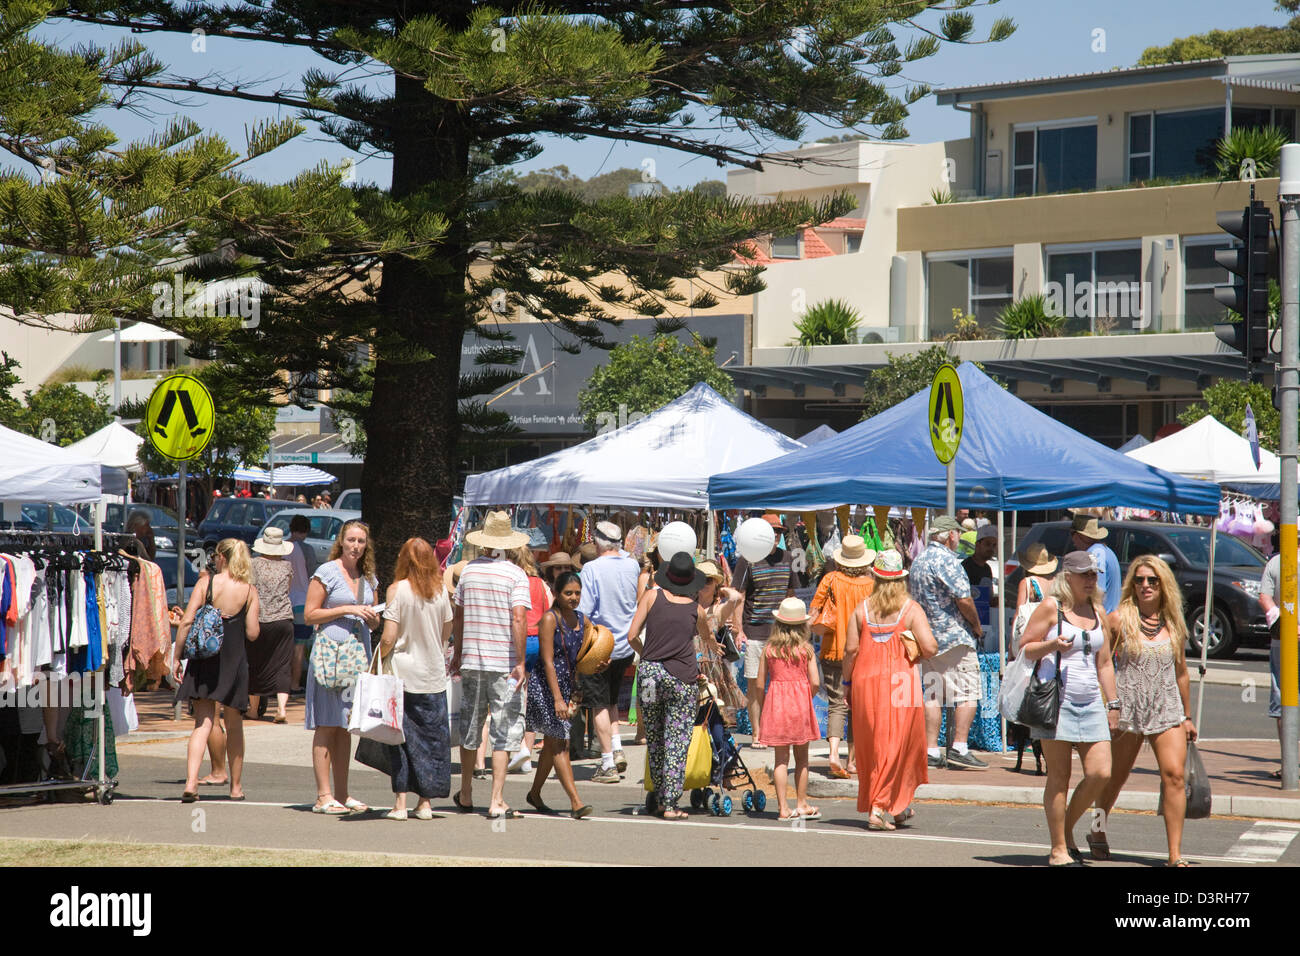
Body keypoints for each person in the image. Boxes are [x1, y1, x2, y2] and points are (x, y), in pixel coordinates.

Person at [1017, 551, 1119, 866]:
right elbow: (1023, 647)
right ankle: (1058, 848)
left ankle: (1066, 827)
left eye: (1094, 575)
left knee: (1101, 773)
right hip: (1055, 703)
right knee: (1059, 777)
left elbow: (1105, 663)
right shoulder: (1052, 607)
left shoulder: (1099, 611)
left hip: (1091, 704)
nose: (1091, 580)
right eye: (1085, 574)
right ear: (1068, 577)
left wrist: (1113, 704)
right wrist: (1051, 645)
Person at [1093, 556, 1197, 865]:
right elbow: (1103, 663)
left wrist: (1188, 716)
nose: (1145, 586)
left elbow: (1181, 672)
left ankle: (1175, 855)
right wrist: (1107, 703)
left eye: (1152, 580)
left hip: (1167, 707)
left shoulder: (1174, 621)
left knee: (1175, 776)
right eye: (1139, 580)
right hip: (1128, 706)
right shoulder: (1119, 619)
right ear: (1132, 584)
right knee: (1113, 777)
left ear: (1163, 584)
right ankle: (1098, 829)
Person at [844, 550, 936, 830]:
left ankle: (897, 805)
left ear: (875, 576)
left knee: (874, 745)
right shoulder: (911, 609)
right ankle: (879, 807)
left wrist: (847, 684)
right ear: (901, 579)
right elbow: (931, 647)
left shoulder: (862, 609)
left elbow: (850, 650)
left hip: (865, 680)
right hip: (902, 682)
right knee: (899, 744)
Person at [452, 512, 530, 819]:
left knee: (471, 726)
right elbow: (519, 618)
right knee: (505, 728)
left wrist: (457, 652)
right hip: (505, 663)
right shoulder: (515, 575)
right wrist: (521, 661)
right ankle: (497, 798)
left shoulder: (469, 572)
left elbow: (457, 615)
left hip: (472, 658)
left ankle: (467, 792)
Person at [627, 551, 713, 820]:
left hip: (650, 674)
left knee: (654, 736)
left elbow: (631, 636)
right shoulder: (696, 610)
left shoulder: (652, 596)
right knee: (676, 739)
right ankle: (670, 803)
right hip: (681, 677)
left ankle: (659, 796)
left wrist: (649, 655)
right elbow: (708, 638)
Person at [173, 538, 261, 802]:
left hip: (205, 658)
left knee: (203, 723)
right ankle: (235, 788)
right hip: (234, 658)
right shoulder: (249, 590)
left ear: (221, 557)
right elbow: (253, 633)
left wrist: (177, 656)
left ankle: (191, 783)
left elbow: (187, 621)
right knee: (235, 725)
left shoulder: (206, 583)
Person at [303, 519, 380, 814]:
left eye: (361, 541)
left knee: (345, 726)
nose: (356, 546)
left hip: (356, 655)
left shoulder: (367, 576)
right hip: (329, 656)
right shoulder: (327, 572)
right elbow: (310, 614)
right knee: (326, 723)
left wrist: (372, 620)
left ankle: (343, 793)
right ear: (341, 541)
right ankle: (323, 796)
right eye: (351, 540)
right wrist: (347, 609)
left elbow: (373, 617)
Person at [378, 537, 455, 821]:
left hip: (402, 674)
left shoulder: (397, 590)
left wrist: (379, 655)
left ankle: (400, 803)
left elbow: (389, 636)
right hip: (432, 674)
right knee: (432, 740)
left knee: (399, 739)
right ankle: (425, 802)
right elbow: (446, 632)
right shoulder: (441, 592)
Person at [908, 516, 987, 770]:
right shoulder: (947, 561)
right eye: (957, 534)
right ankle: (959, 747)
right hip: (954, 637)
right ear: (951, 535)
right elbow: (964, 599)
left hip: (928, 638)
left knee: (933, 694)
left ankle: (931, 749)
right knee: (967, 693)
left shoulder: (919, 561)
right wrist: (976, 626)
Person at [524, 571, 593, 819]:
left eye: (577, 593)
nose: (573, 598)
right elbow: (548, 661)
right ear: (556, 594)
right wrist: (557, 698)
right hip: (547, 687)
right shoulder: (549, 619)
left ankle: (534, 793)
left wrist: (600, 662)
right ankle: (575, 802)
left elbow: (586, 654)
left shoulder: (582, 620)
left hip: (568, 687)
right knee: (560, 744)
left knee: (552, 743)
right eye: (568, 593)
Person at [577, 520, 640, 782]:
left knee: (599, 704)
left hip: (600, 646)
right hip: (625, 644)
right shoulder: (632, 565)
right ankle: (616, 749)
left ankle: (607, 762)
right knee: (612, 700)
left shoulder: (591, 568)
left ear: (597, 543)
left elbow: (585, 611)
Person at [808, 535, 875, 778]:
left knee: (837, 703)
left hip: (833, 649)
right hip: (863, 652)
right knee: (857, 706)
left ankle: (834, 753)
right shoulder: (871, 584)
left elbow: (814, 612)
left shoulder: (830, 579)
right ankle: (852, 761)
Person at [732, 513, 798, 748]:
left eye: (779, 532)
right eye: (773, 531)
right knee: (755, 686)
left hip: (781, 635)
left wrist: (794, 630)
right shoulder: (747, 560)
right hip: (754, 632)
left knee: (781, 685)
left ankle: (776, 730)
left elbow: (791, 596)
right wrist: (738, 630)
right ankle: (757, 734)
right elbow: (738, 597)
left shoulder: (788, 558)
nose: (776, 536)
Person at [756, 598, 822, 820]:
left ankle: (783, 808)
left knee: (780, 760)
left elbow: (759, 683)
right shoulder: (806, 650)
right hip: (800, 704)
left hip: (777, 704)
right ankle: (802, 803)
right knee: (802, 758)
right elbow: (815, 682)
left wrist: (765, 704)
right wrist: (805, 696)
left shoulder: (770, 649)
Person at [507, 547, 551, 775]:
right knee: (530, 695)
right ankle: (526, 752)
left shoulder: (513, 579)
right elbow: (548, 607)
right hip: (539, 639)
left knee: (514, 695)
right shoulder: (539, 582)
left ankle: (520, 747)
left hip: (520, 639)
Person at [1258, 549, 1300, 779]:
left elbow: (1264, 597)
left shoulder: (1276, 562)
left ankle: (1289, 764)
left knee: (1284, 700)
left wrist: (1282, 623)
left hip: (1282, 641)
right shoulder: (1277, 562)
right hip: (1283, 641)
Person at [248, 527, 297, 723]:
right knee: (282, 664)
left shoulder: (253, 564)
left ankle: (253, 709)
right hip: (284, 619)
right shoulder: (287, 566)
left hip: (258, 619)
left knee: (255, 663)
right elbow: (288, 589)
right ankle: (282, 709)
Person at [1071, 514, 1122, 615]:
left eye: (1072, 534)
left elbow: (1098, 592)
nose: (1073, 541)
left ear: (1077, 535)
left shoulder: (1096, 553)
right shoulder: (1103, 550)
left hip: (1104, 619)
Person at [288, 514, 316, 692]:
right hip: (302, 601)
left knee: (284, 647)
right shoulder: (307, 550)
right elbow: (313, 575)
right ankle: (295, 684)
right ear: (306, 530)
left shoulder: (281, 548)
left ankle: (281, 684)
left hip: (283, 602)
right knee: (299, 646)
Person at [962, 525, 999, 638]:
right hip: (968, 624)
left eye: (994, 545)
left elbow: (989, 598)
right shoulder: (965, 567)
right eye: (987, 544)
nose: (991, 549)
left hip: (985, 622)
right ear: (978, 544)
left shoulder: (987, 569)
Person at [1016, 542, 1058, 610]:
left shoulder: (1027, 583)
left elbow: (1019, 612)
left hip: (1033, 620)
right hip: (1053, 619)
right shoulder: (1057, 582)